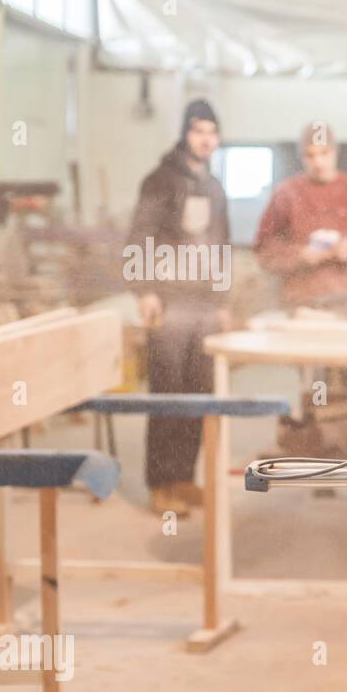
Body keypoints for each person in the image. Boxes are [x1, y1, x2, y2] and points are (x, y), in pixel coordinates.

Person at [127, 98, 229, 517]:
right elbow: (140, 235)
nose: (204, 139)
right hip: (170, 304)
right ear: (185, 134)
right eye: (197, 130)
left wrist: (223, 301)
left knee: (199, 394)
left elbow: (222, 246)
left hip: (205, 307)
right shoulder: (159, 180)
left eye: (211, 132)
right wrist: (146, 290)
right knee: (167, 392)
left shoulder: (215, 187)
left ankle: (185, 478)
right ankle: (160, 483)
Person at [253, 122, 347, 313]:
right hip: (301, 301)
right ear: (301, 157)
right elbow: (264, 250)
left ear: (335, 152)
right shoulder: (286, 193)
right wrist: (300, 255)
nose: (318, 162)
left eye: (324, 153)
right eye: (310, 155)